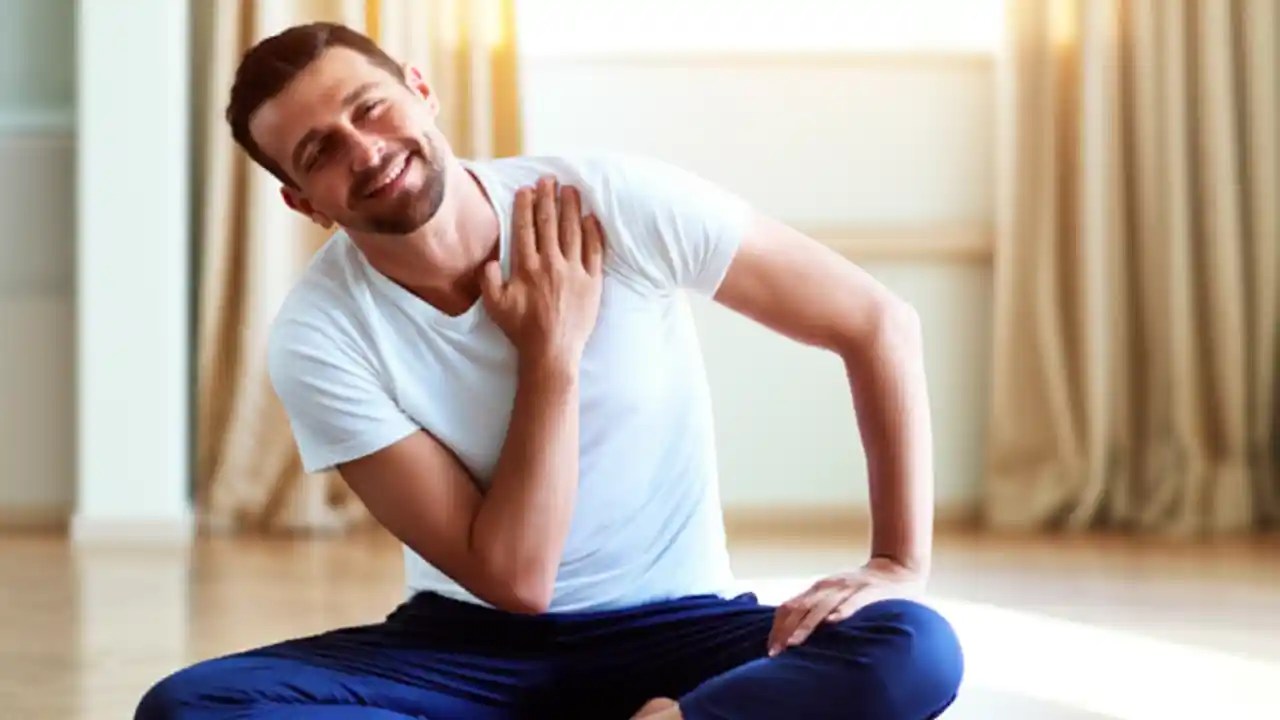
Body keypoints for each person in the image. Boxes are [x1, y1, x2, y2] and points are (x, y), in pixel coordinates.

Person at [137, 21, 963, 720]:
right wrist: (551, 353)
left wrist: (896, 562)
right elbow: (516, 579)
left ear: (421, 92)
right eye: (321, 151)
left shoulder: (609, 200)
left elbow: (876, 322)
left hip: (683, 631)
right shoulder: (319, 336)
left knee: (913, 646)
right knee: (190, 708)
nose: (366, 149)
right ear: (305, 202)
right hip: (466, 652)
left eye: (372, 108)